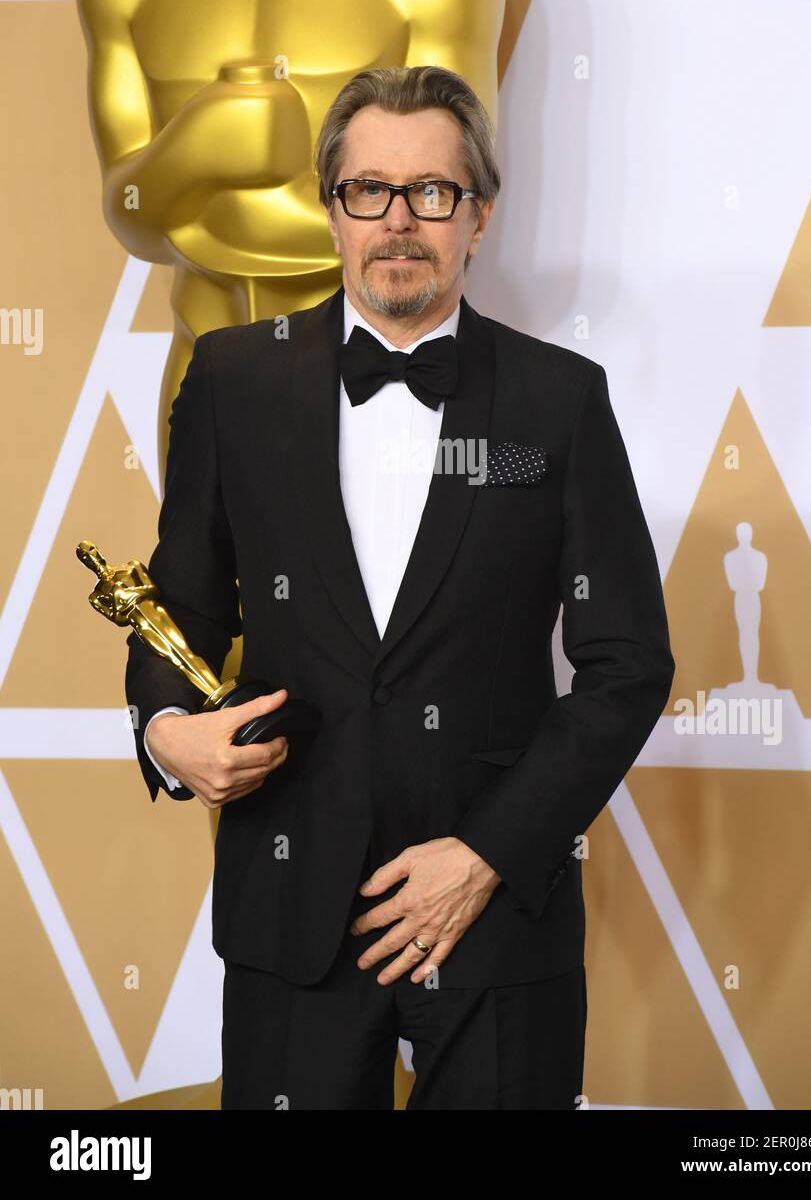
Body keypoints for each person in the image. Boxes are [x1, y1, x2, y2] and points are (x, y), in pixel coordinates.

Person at [125, 64, 675, 1110]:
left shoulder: (557, 400)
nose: (398, 220)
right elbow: (181, 603)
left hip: (497, 919)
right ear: (330, 211)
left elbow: (626, 663)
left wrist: (485, 853)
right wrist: (164, 731)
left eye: (432, 191)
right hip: (292, 912)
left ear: (479, 215)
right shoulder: (233, 380)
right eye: (368, 189)